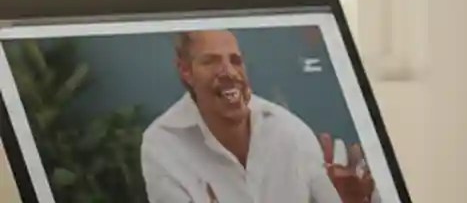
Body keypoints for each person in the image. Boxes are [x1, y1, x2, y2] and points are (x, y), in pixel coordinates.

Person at [140, 30, 378, 203]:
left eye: (235, 60)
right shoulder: (162, 143)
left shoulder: (290, 132)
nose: (229, 72)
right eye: (210, 61)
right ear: (185, 71)